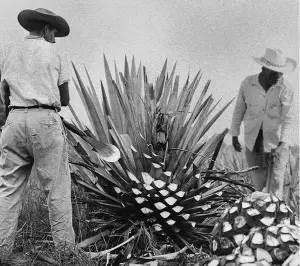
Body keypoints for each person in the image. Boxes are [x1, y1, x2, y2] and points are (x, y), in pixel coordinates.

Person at [0, 8, 75, 263]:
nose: (54, 36)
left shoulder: (8, 51)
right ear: (45, 29)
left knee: (8, 190)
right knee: (57, 190)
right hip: (45, 120)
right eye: (53, 32)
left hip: (14, 120)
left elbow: (3, 95)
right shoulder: (54, 52)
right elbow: (64, 99)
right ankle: (66, 254)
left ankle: (1, 252)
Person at [230, 48, 297, 200]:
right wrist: (234, 135)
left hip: (277, 144)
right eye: (274, 72)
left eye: (281, 72)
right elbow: (239, 109)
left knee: (276, 187)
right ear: (264, 69)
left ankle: (276, 220)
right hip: (253, 143)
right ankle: (260, 220)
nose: (279, 76)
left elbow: (289, 118)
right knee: (259, 188)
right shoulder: (248, 84)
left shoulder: (286, 88)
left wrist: (280, 146)